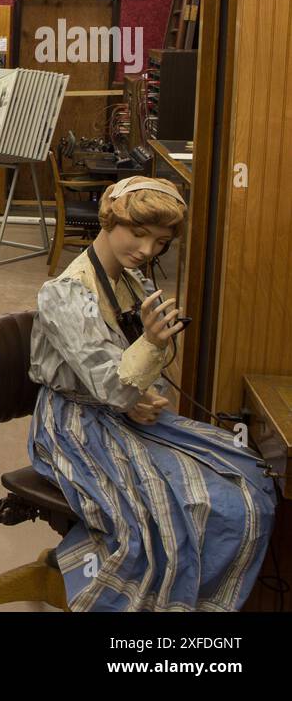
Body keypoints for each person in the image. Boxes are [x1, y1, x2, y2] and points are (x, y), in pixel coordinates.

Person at [28, 176, 276, 610]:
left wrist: (146, 386)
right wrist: (152, 345)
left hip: (121, 413)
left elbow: (139, 382)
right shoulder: (66, 294)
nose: (146, 250)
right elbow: (112, 383)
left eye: (159, 242)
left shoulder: (132, 282)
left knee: (249, 473)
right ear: (109, 219)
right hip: (75, 423)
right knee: (192, 505)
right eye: (138, 234)